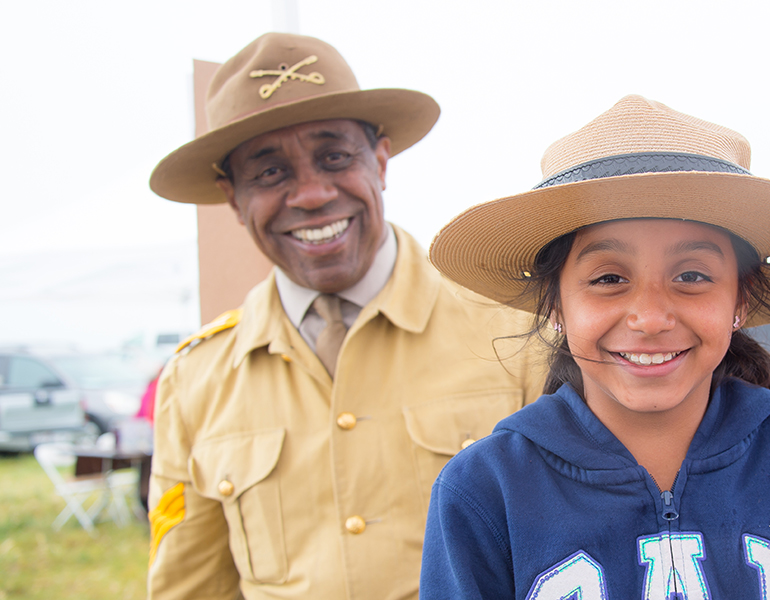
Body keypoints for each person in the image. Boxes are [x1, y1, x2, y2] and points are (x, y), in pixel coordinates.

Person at [419, 95, 770, 598]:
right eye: (609, 278)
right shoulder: (484, 489)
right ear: (555, 304)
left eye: (692, 275)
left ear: (740, 300)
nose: (651, 319)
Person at [144, 33, 543, 600]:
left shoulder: (515, 334)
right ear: (232, 198)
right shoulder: (195, 382)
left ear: (380, 161)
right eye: (269, 173)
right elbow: (192, 588)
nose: (310, 194)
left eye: (334, 157)